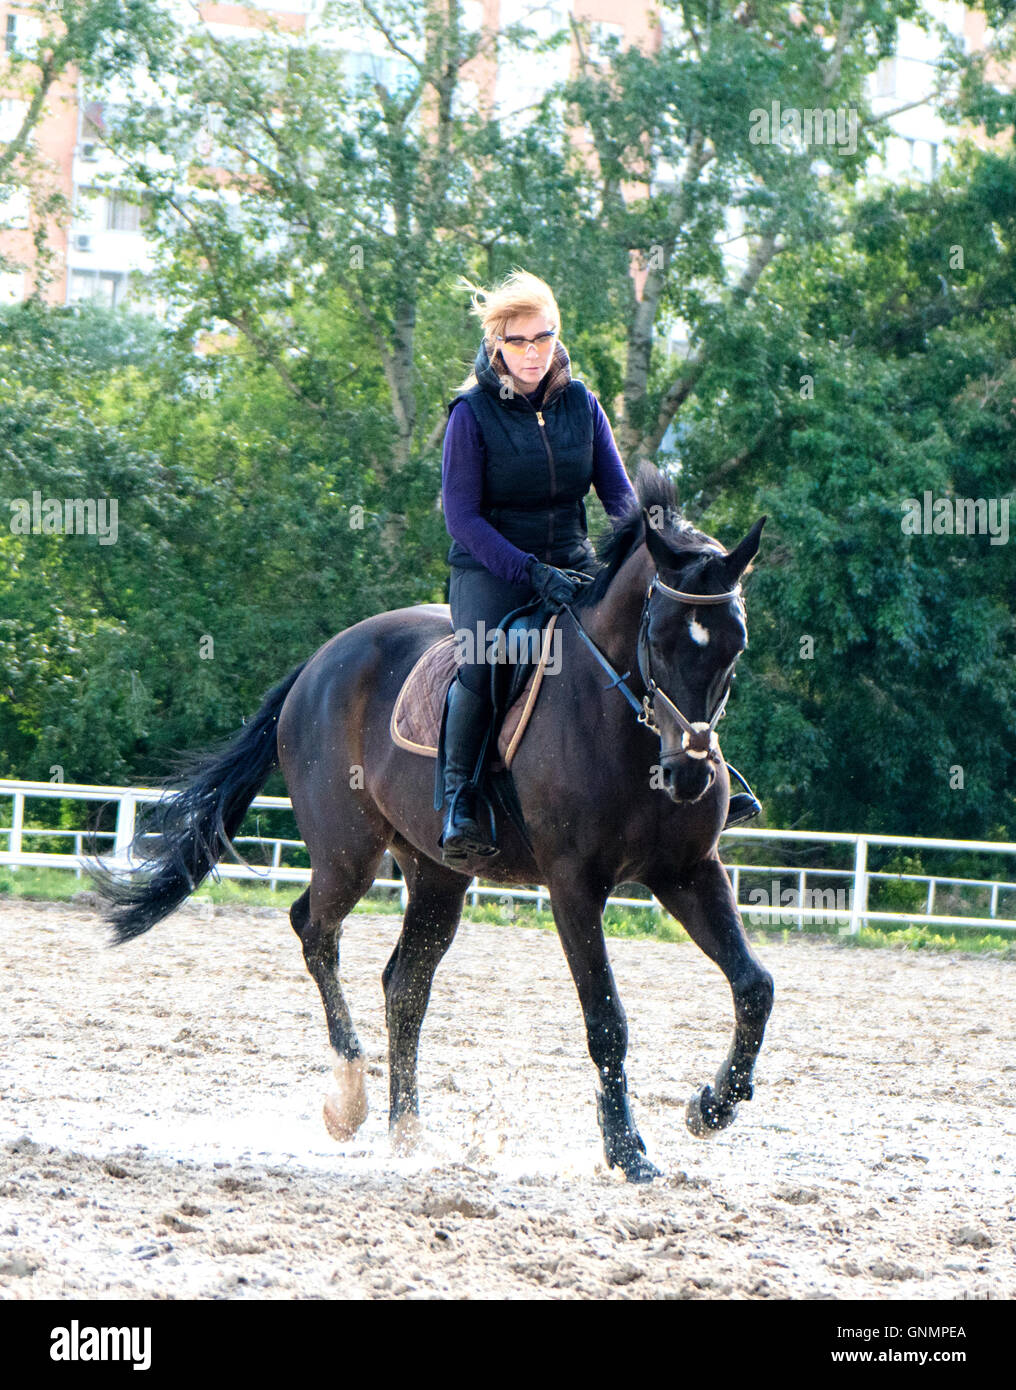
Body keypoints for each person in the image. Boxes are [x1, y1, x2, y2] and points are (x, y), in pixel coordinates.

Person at [438, 269, 759, 865]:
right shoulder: (471, 414)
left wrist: (668, 554)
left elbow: (619, 500)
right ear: (496, 346)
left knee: (663, 635)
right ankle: (460, 798)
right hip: (490, 571)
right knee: (485, 659)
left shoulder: (582, 404)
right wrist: (529, 570)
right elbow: (463, 519)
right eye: (518, 342)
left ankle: (704, 762)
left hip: (576, 565)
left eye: (543, 338)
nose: (533, 354)